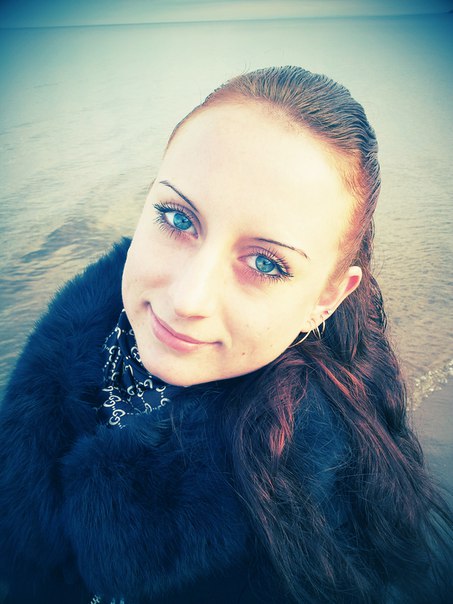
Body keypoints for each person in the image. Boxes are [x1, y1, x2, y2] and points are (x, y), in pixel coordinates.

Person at [0, 66, 451, 604]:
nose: (187, 299)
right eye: (178, 219)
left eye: (265, 263)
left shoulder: (308, 528)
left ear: (326, 299)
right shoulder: (66, 358)